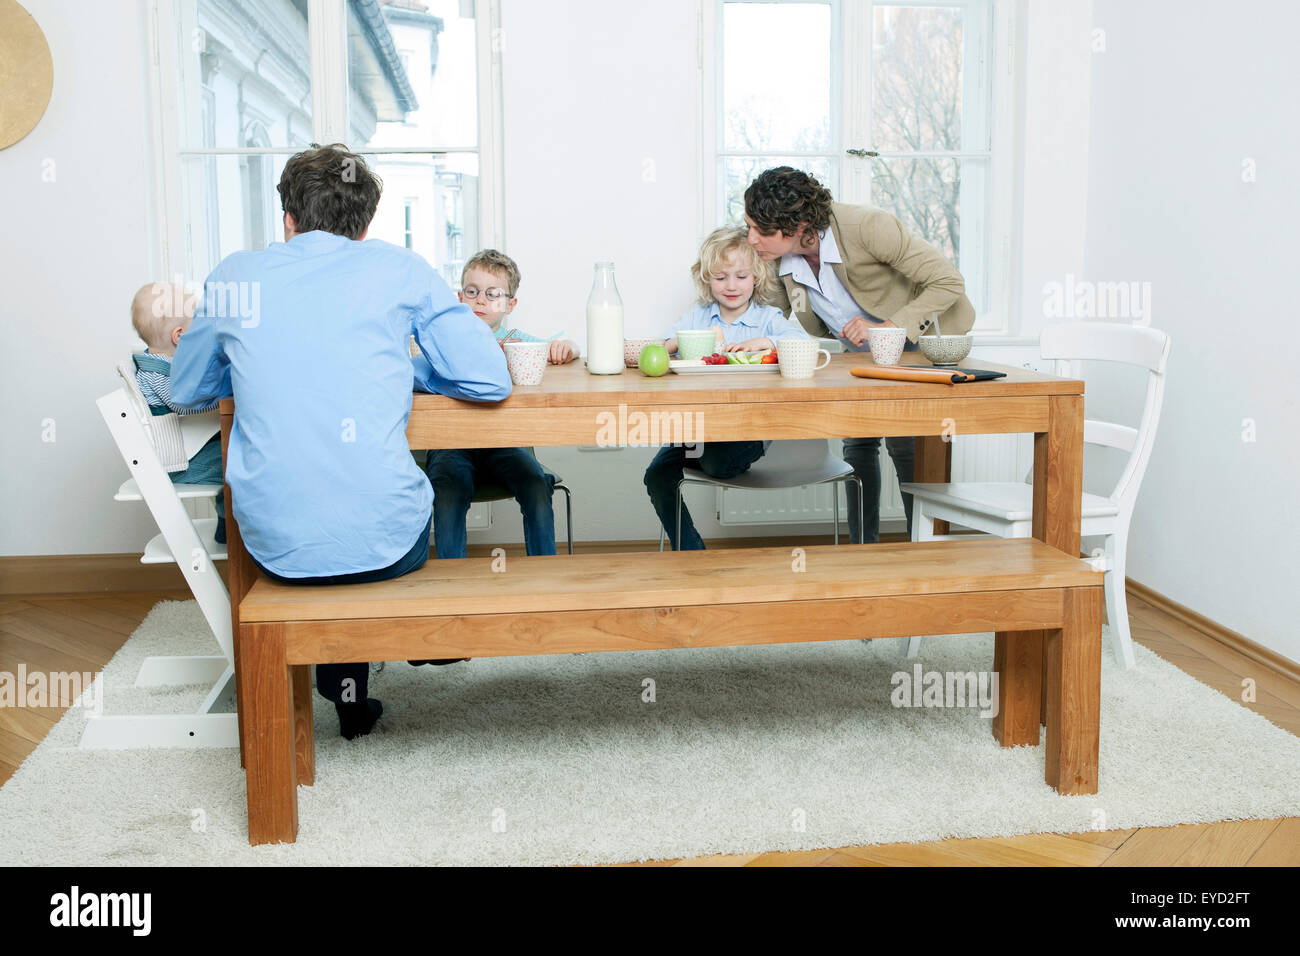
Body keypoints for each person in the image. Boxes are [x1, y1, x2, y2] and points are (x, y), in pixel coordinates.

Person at [170, 143, 512, 740]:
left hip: (273, 543)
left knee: (320, 519)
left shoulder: (235, 276)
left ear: (289, 219)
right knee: (368, 511)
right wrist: (411, 368)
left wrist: (255, 367)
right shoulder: (398, 270)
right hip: (388, 544)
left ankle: (346, 690)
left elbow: (187, 389)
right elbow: (488, 379)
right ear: (365, 225)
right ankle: (363, 677)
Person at [743, 166, 975, 543]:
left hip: (921, 343)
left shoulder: (868, 227)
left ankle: (926, 549)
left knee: (906, 447)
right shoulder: (779, 257)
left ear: (800, 227)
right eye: (750, 226)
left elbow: (947, 280)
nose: (752, 238)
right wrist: (743, 341)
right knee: (858, 445)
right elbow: (770, 315)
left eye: (762, 231)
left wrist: (891, 325)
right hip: (861, 356)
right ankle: (862, 550)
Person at [644, 226, 809, 550]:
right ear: (707, 280)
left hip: (748, 431)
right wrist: (675, 342)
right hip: (698, 431)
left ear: (757, 277)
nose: (731, 286)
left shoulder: (767, 318)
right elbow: (659, 350)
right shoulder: (697, 318)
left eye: (741, 276)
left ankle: (713, 458)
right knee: (657, 475)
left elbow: (801, 342)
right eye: (721, 277)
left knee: (716, 463)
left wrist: (766, 341)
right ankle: (693, 554)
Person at [420, 249, 576, 563]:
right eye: (472, 291)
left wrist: (566, 347)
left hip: (502, 443)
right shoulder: (444, 340)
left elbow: (564, 347)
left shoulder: (516, 341)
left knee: (536, 484)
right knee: (447, 494)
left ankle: (545, 570)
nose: (480, 300)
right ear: (459, 296)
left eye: (492, 294)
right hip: (452, 444)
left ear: (510, 304)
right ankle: (454, 578)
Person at [128, 281, 227, 543]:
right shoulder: (159, 373)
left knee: (235, 451)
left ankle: (227, 520)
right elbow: (187, 403)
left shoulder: (161, 361)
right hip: (182, 463)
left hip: (189, 453)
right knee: (240, 460)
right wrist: (223, 398)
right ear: (180, 336)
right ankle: (230, 523)